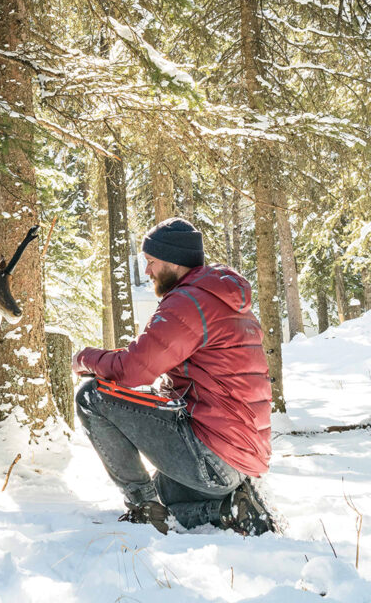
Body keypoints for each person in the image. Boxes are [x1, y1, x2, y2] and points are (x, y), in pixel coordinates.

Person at [72, 216, 275, 536]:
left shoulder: (188, 301)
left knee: (91, 397)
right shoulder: (222, 299)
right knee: (166, 497)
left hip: (213, 456)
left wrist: (85, 358)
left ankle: (143, 509)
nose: (148, 271)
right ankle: (227, 510)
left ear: (173, 261)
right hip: (239, 459)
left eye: (151, 262)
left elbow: (134, 369)